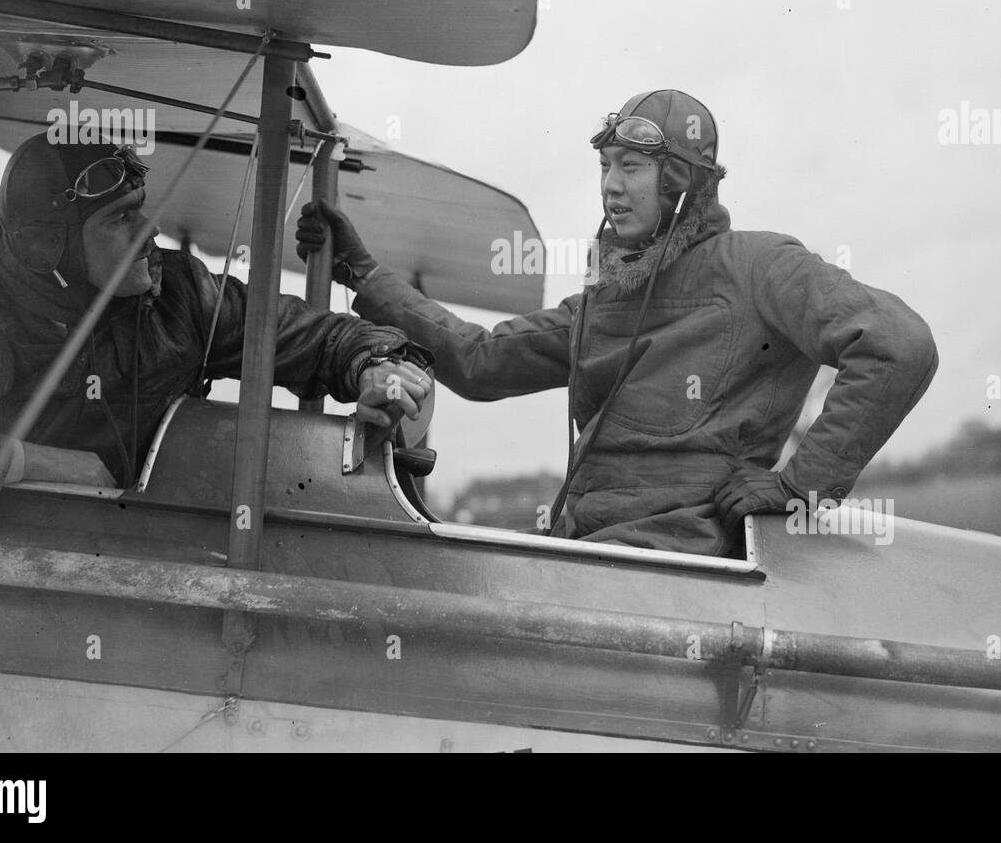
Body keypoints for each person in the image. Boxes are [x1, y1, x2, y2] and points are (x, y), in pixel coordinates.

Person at [296, 90, 939, 557]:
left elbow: (897, 347)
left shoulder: (759, 266)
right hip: (584, 554)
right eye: (605, 166)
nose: (609, 186)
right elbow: (481, 360)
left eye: (630, 167)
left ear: (682, 182)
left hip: (678, 573)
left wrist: (799, 489)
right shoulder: (606, 303)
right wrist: (366, 275)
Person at [0, 132, 433, 500]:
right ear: (48, 247)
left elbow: (307, 336)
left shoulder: (178, 295)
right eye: (121, 218)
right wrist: (18, 462)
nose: (149, 231)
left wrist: (376, 364)